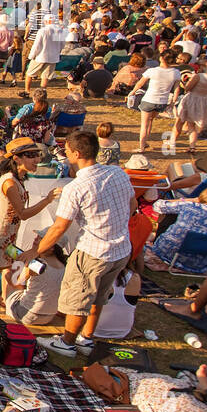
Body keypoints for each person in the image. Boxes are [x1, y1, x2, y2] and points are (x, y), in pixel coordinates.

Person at [21, 130, 134, 358]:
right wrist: (117, 224)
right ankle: (87, 338)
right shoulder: (118, 173)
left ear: (76, 153)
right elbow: (131, 203)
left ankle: (68, 341)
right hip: (121, 249)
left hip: (94, 250)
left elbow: (59, 227)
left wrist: (36, 251)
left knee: (79, 298)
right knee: (99, 295)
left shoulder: (76, 187)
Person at [0, 138, 58, 315]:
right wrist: (47, 200)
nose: (37, 159)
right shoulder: (10, 183)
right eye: (31, 156)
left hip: (0, 235)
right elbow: (22, 213)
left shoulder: (16, 179)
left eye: (37, 155)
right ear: (17, 159)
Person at [149, 184, 207, 274]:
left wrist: (190, 200)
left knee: (171, 212)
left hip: (165, 252)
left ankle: (159, 238)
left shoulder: (190, 206)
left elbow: (157, 205)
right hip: (197, 263)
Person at [127, 51, 180, 153]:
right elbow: (176, 89)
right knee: (151, 120)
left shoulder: (152, 71)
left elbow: (140, 83)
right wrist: (173, 102)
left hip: (149, 99)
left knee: (144, 124)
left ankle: (141, 147)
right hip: (162, 101)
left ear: (161, 58)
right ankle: (145, 141)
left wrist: (132, 92)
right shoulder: (175, 72)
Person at [171, 53, 207, 153]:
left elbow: (188, 88)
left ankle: (172, 142)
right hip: (204, 100)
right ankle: (192, 146)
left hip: (192, 99)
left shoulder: (199, 76)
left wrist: (185, 80)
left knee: (180, 121)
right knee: (192, 125)